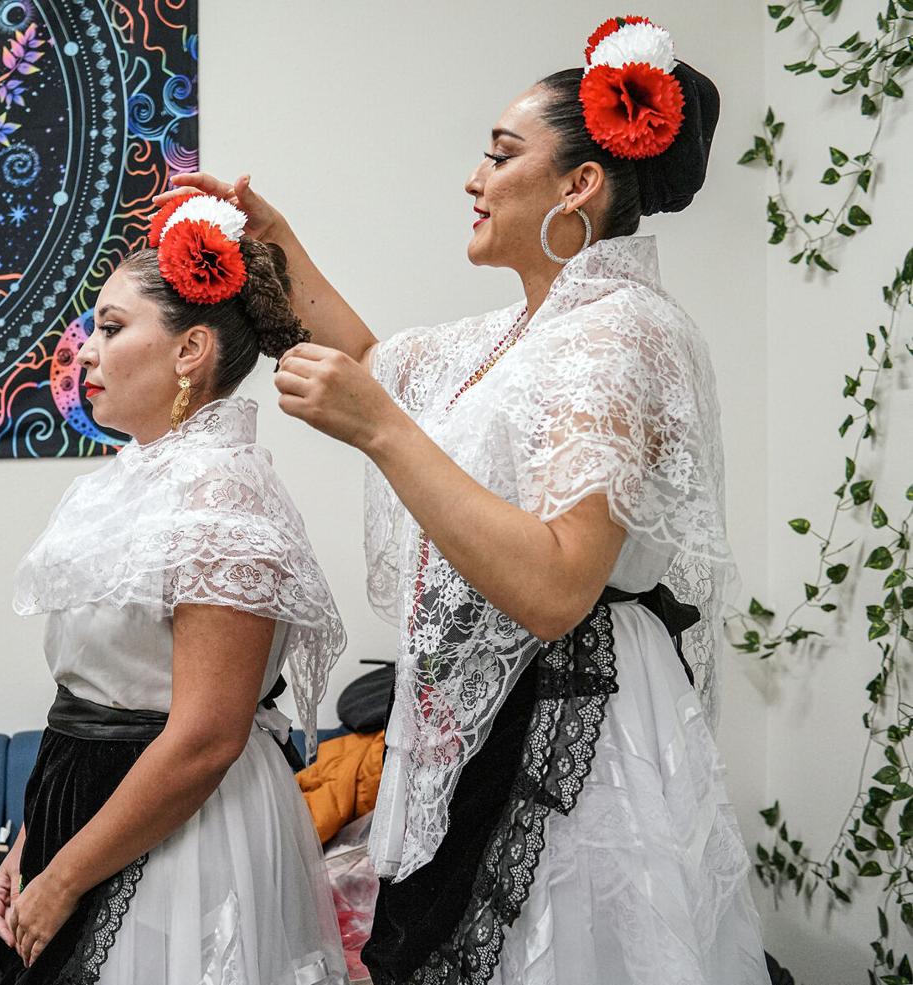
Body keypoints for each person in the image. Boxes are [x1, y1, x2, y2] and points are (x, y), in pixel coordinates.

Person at [165, 16, 772, 985]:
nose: (473, 179)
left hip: (570, 720)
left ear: (578, 185)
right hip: (486, 711)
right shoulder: (514, 335)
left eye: (499, 154)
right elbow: (373, 364)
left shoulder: (620, 332)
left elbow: (560, 586)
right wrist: (274, 243)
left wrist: (382, 431)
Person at [0, 193, 348, 984]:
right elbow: (91, 695)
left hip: (183, 834)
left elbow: (206, 736)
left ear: (190, 350)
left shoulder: (224, 494)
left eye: (111, 328)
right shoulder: (116, 484)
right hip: (81, 810)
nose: (84, 353)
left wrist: (63, 878)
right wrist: (31, 843)